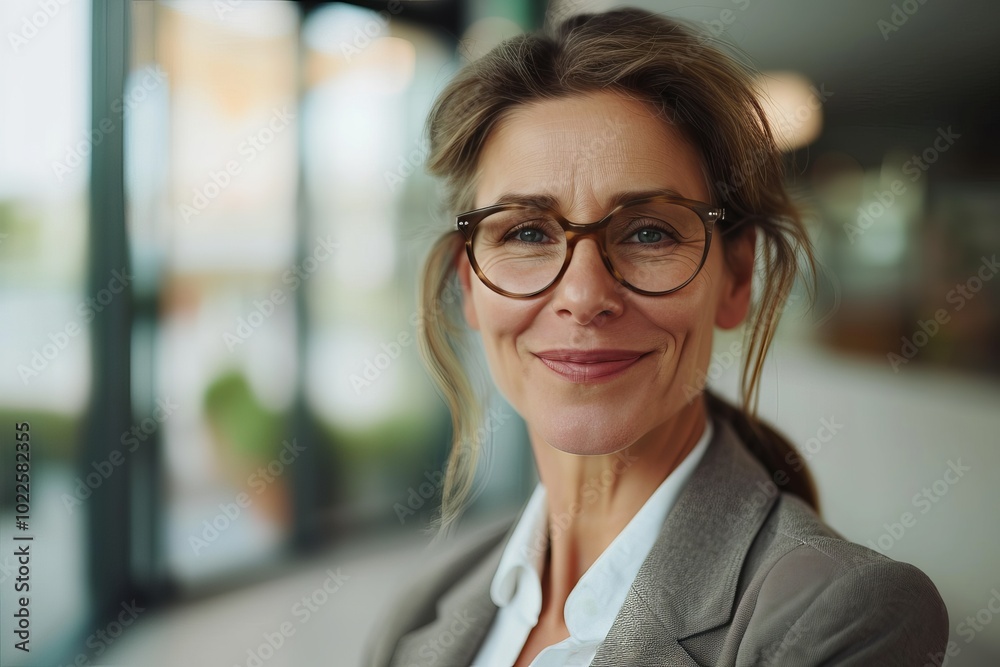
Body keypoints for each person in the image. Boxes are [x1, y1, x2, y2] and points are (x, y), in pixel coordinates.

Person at [366, 7, 948, 666]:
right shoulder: (420, 612)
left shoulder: (843, 618)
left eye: (649, 232)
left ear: (736, 277)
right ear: (469, 284)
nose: (584, 297)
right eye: (526, 232)